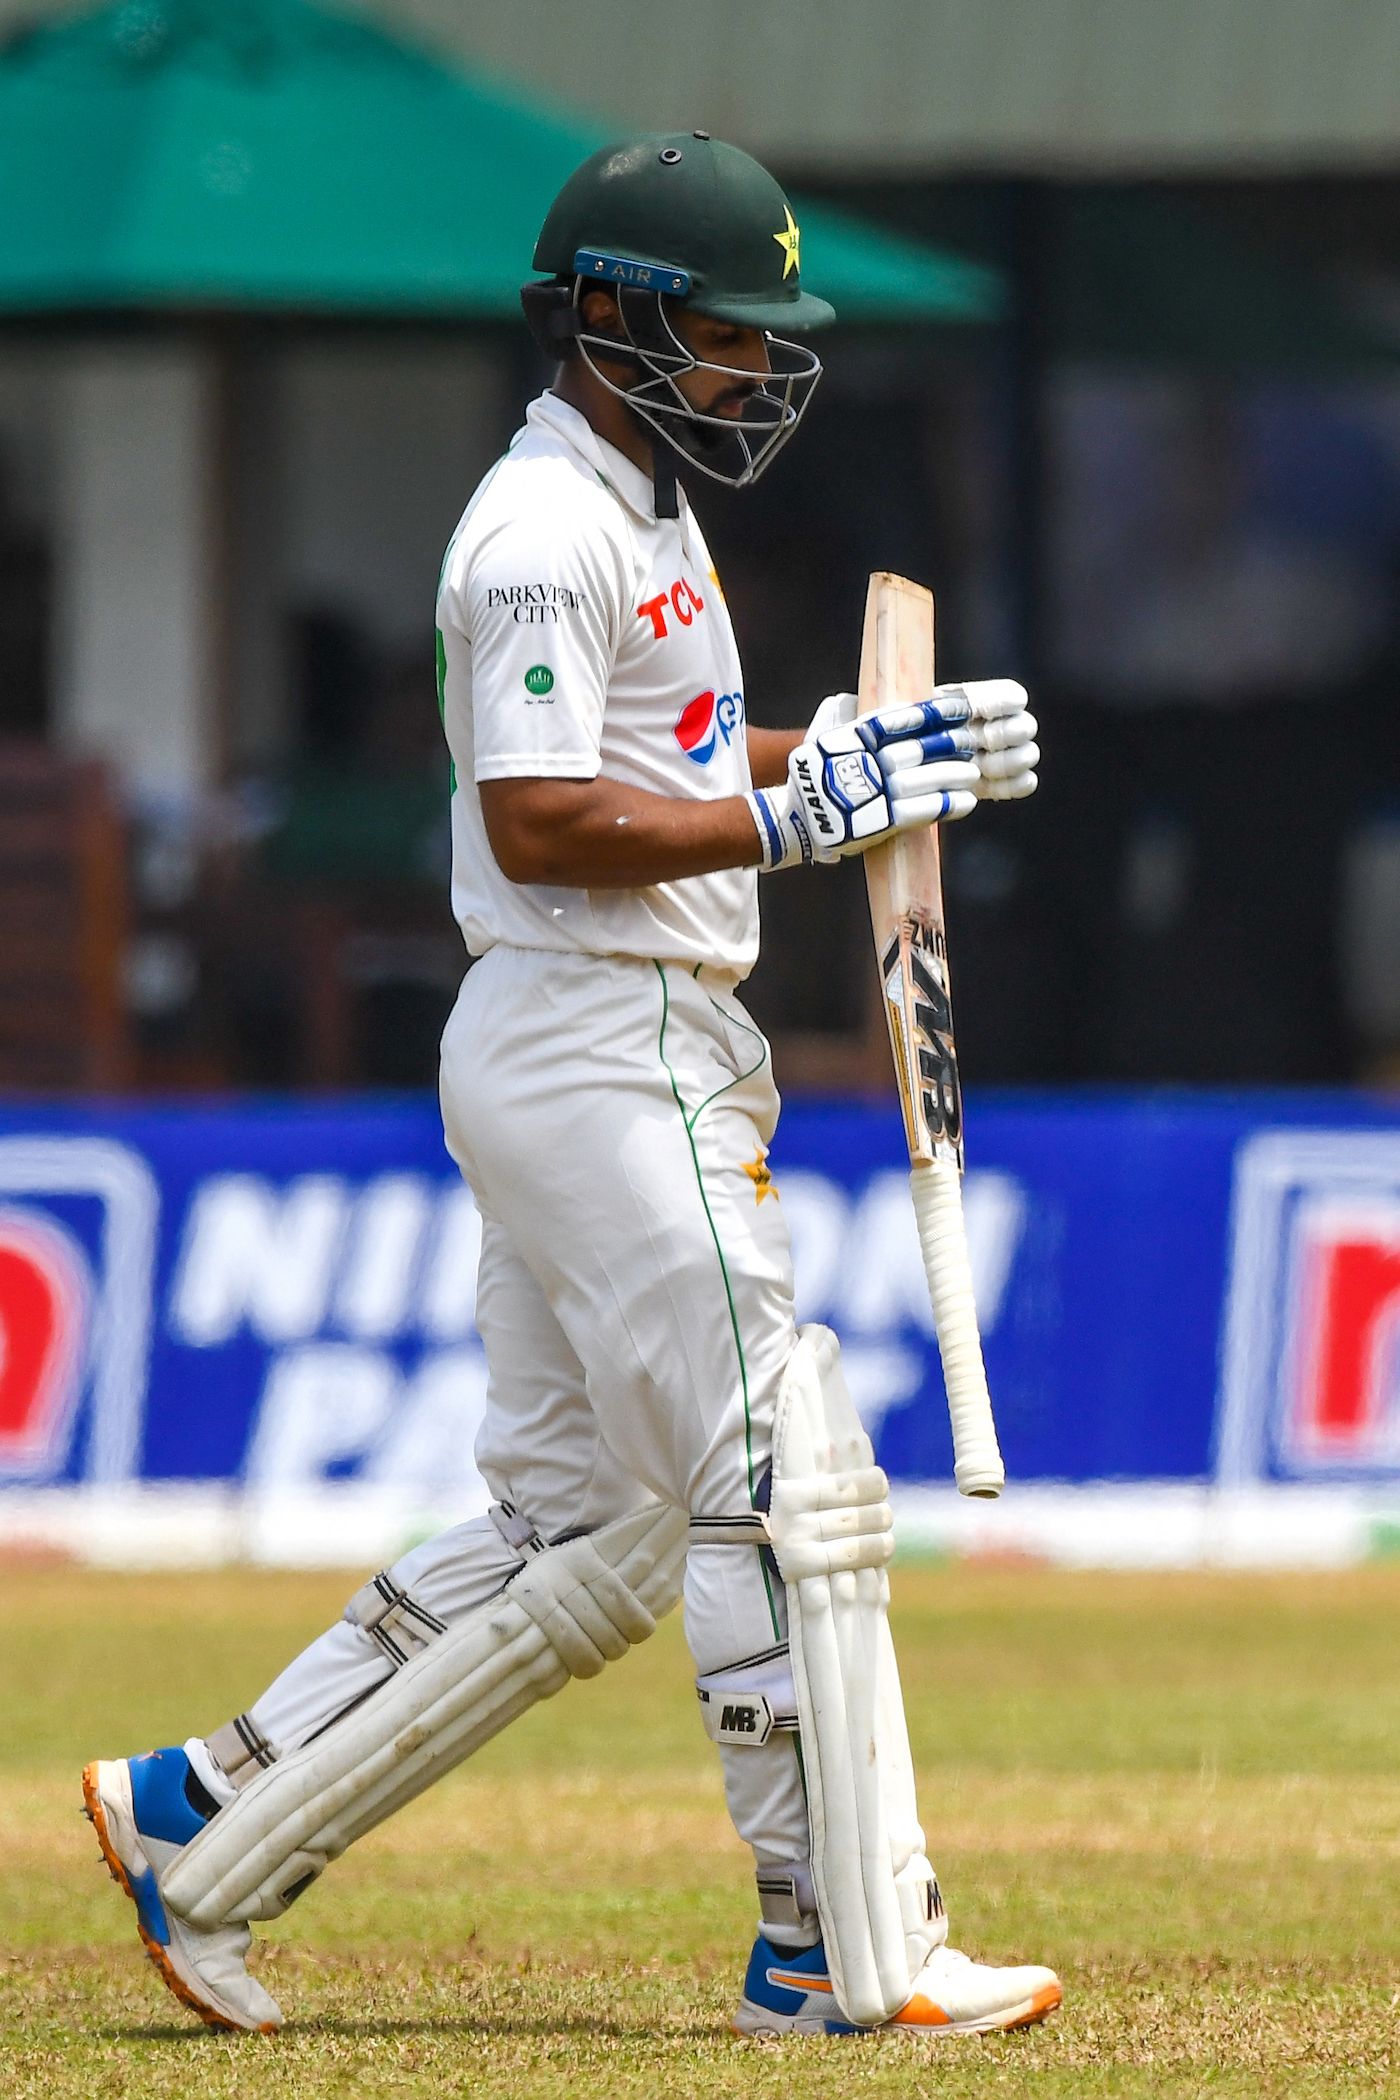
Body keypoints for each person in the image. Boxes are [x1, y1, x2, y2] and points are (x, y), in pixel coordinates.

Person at [82, 133, 1056, 2042]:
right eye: (718, 333)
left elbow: (667, 746)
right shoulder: (539, 531)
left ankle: (203, 1819)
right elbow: (540, 819)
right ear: (610, 318)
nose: (752, 370)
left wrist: (860, 746)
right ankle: (840, 1952)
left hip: (617, 1038)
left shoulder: (642, 503)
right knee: (777, 1478)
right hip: (598, 1034)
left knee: (587, 1534)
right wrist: (792, 814)